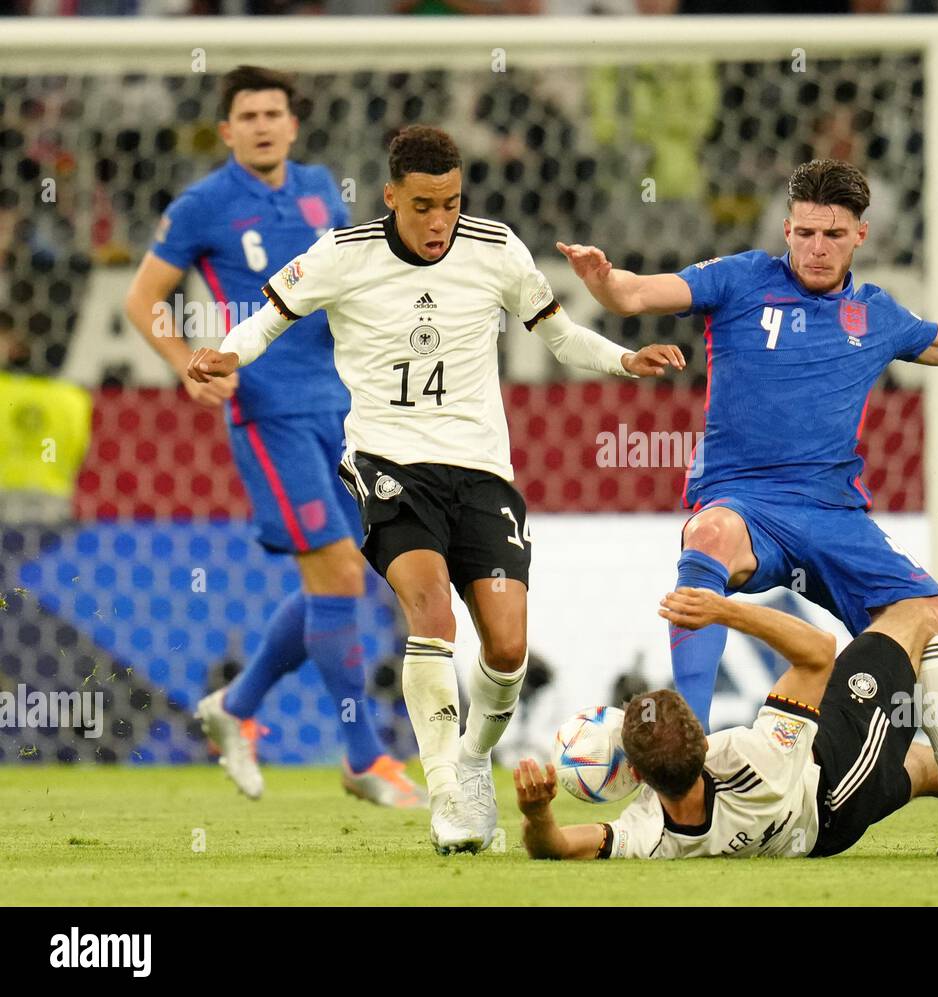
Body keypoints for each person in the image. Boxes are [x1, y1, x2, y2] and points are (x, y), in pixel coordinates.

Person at [556, 157, 938, 855]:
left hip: (836, 519)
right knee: (707, 532)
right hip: (747, 504)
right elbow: (638, 292)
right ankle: (689, 763)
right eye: (804, 232)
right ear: (787, 229)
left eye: (832, 233)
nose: (816, 247)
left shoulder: (877, 314)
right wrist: (603, 280)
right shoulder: (738, 279)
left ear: (860, 234)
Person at [186, 125, 685, 854]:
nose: (438, 221)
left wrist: (623, 359)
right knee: (429, 612)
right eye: (422, 205)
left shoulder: (497, 249)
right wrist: (224, 351)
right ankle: (447, 792)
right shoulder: (343, 254)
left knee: (508, 648)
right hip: (390, 464)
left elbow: (560, 334)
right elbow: (271, 317)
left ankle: (475, 758)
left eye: (450, 203)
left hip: (481, 471)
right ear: (391, 196)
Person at [123, 66, 422, 809]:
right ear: (226, 131)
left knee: (341, 573)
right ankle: (362, 756)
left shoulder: (321, 186)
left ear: (293, 125)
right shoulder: (204, 205)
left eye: (274, 112)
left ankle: (236, 705)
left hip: (344, 408)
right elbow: (142, 299)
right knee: (341, 575)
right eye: (247, 115)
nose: (262, 124)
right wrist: (184, 365)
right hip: (269, 413)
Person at [514, 587, 938, 861]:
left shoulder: (647, 831)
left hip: (819, 832)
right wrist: (727, 611)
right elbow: (816, 652)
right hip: (829, 785)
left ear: (637, 776)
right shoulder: (748, 752)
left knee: (935, 770)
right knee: (920, 616)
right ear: (698, 734)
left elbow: (556, 847)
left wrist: (538, 811)